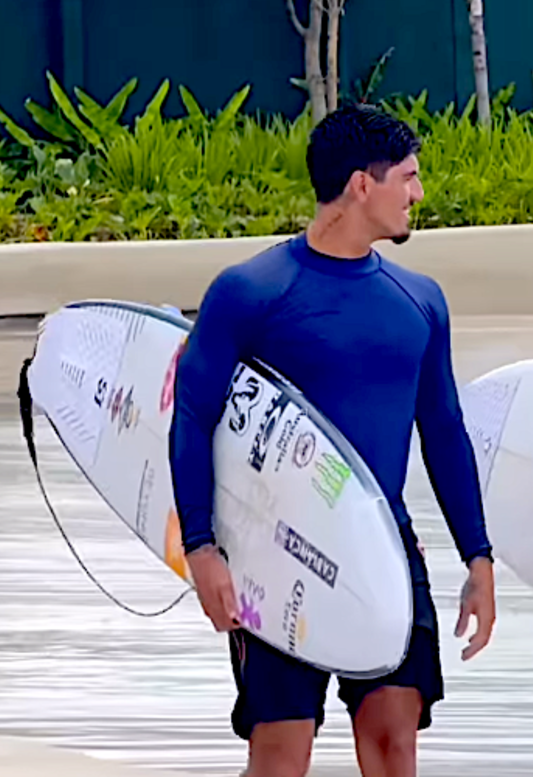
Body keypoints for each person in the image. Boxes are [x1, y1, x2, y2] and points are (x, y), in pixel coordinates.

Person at [168, 103, 496, 777]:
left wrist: (478, 557)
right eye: (407, 177)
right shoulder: (251, 291)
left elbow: (443, 430)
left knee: (393, 742)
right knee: (281, 754)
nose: (418, 193)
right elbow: (192, 416)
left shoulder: (420, 299)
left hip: (382, 548)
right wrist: (200, 549)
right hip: (271, 550)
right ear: (359, 185)